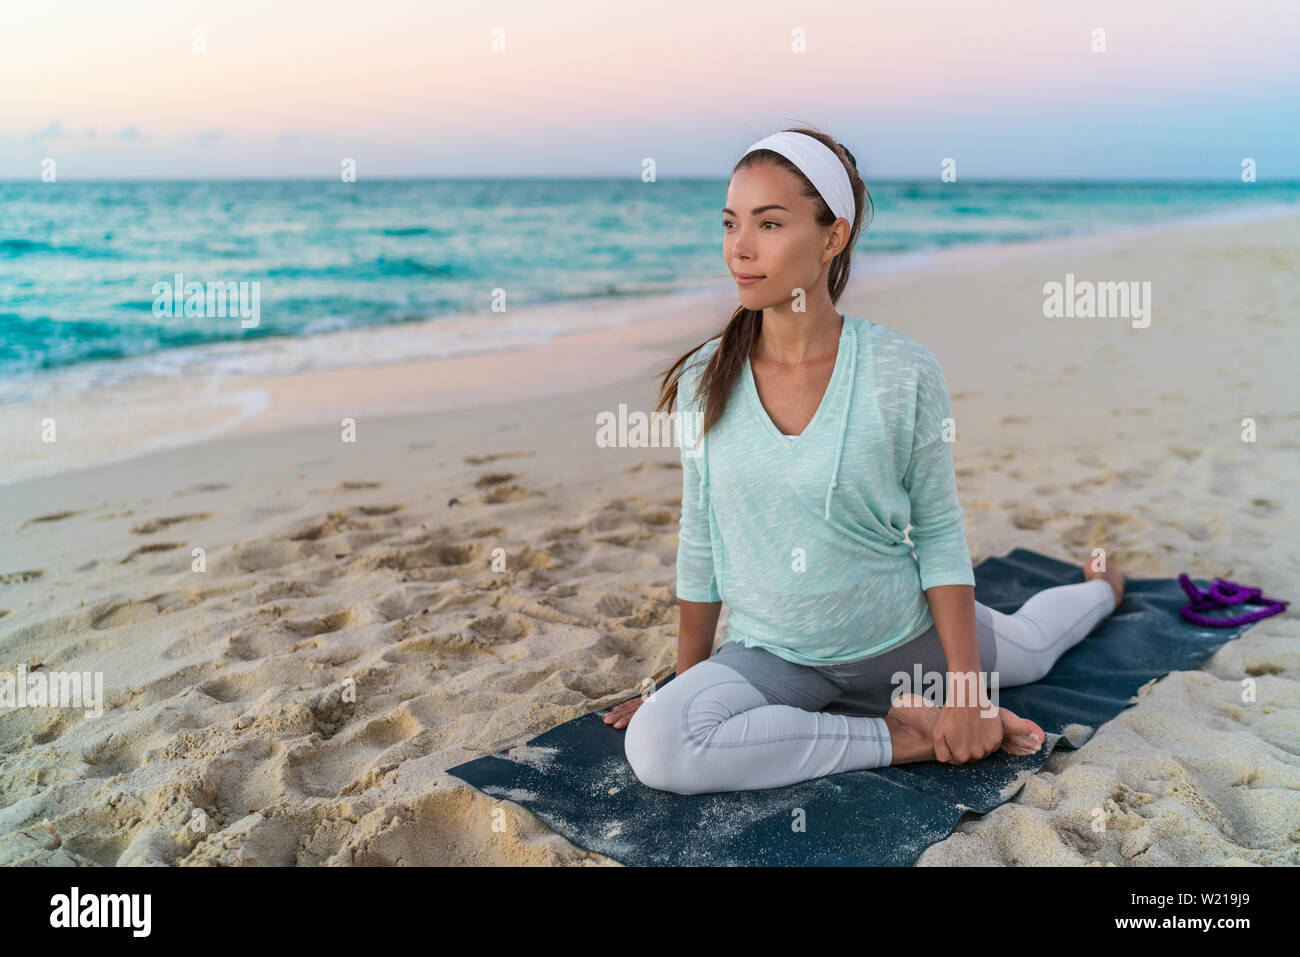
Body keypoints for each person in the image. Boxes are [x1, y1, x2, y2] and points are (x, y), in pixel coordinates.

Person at [603, 126, 1125, 796]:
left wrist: (964, 692)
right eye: (731, 223)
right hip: (775, 657)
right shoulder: (709, 375)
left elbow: (937, 533)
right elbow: (700, 539)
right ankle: (903, 737)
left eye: (768, 223)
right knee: (660, 744)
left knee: (1034, 647)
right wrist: (685, 682)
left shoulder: (900, 369)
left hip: (906, 643)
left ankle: (1102, 587)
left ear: (832, 236)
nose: (740, 246)